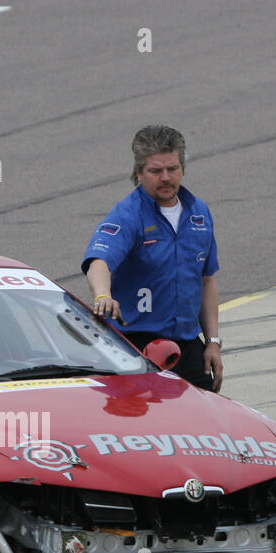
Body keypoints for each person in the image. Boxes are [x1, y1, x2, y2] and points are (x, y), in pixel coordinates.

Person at [82, 124, 223, 392]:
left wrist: (213, 342)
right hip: (137, 346)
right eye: (156, 171)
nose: (166, 178)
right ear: (138, 173)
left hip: (186, 344)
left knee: (206, 422)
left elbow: (206, 281)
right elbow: (98, 261)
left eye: (173, 169)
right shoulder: (128, 215)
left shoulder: (199, 214)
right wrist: (102, 295)